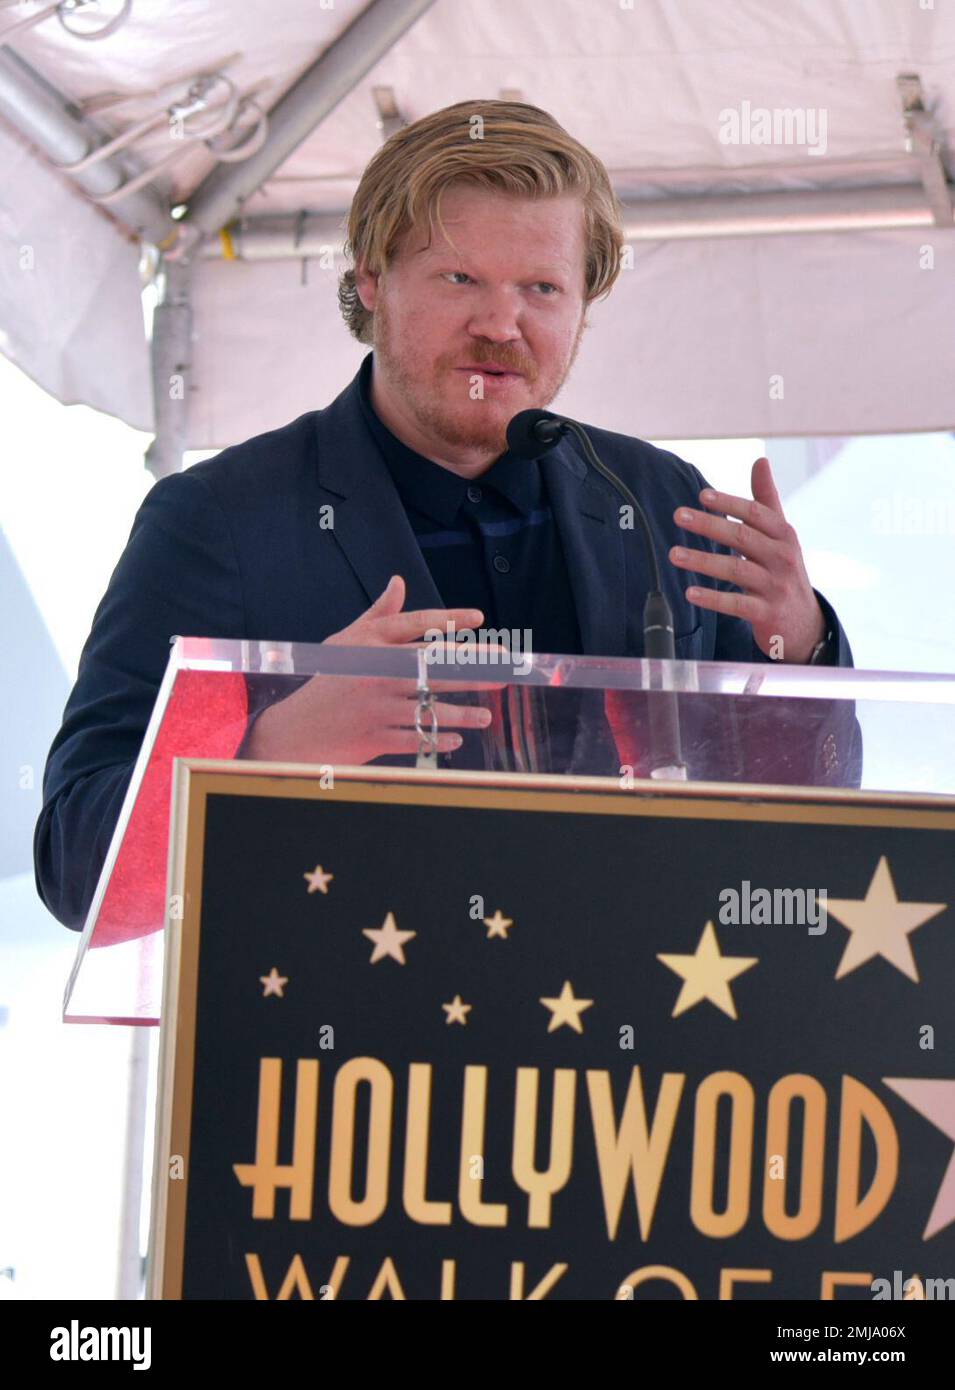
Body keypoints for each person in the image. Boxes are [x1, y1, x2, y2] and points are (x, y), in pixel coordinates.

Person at [34, 99, 855, 931]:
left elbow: (800, 826)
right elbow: (80, 869)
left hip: (628, 1033)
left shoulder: (655, 502)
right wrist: (276, 749)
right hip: (335, 1045)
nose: (501, 324)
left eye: (541, 287)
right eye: (460, 279)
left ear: (583, 303)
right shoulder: (217, 520)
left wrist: (802, 643)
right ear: (369, 280)